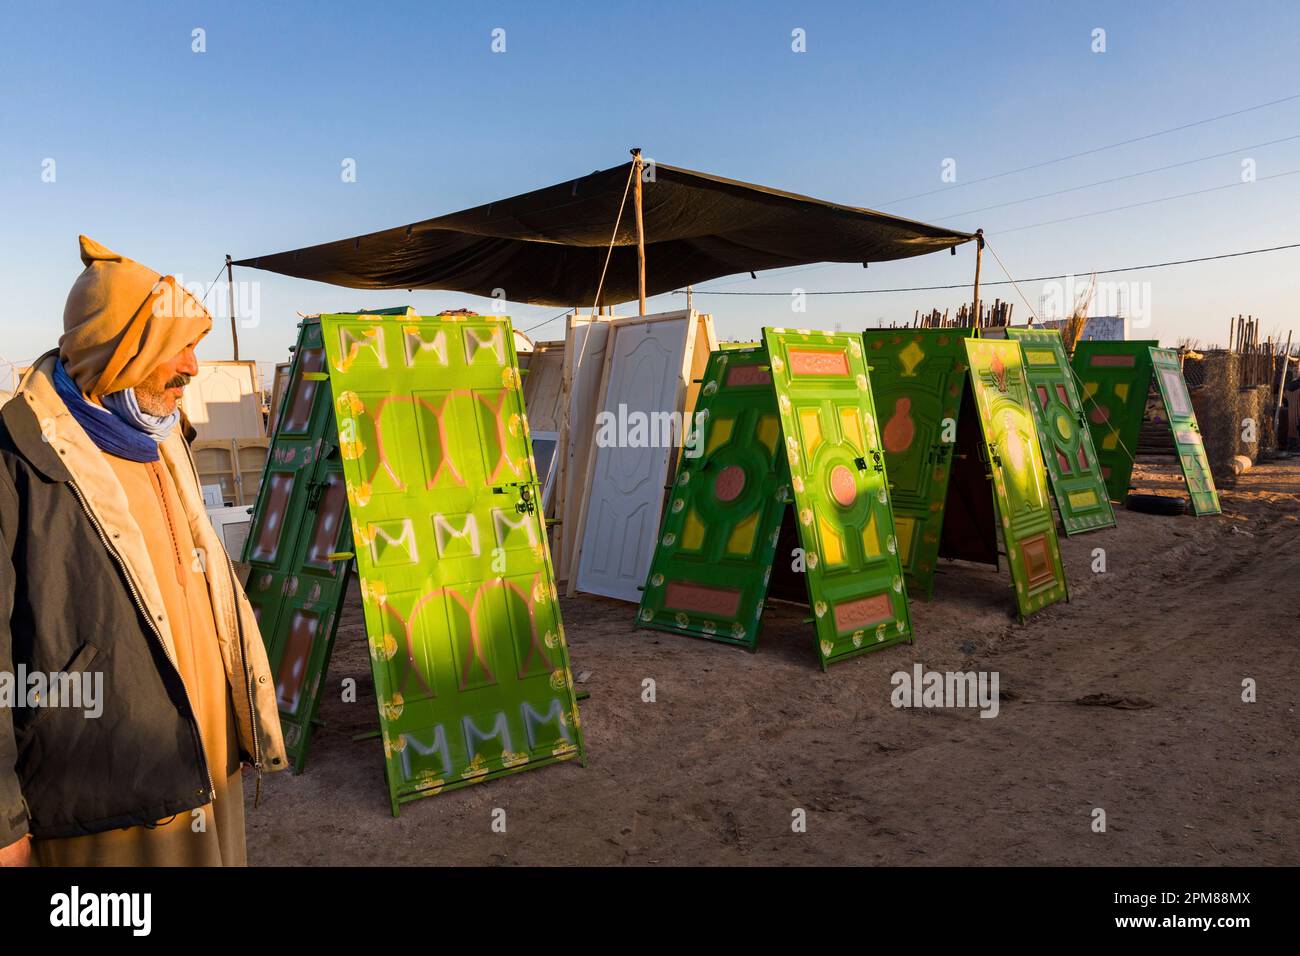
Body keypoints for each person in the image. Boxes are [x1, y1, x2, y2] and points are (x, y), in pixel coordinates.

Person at [0, 236, 285, 866]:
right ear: (121, 350)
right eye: (176, 348)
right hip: (105, 794)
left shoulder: (162, 440)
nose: (191, 367)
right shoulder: (20, 456)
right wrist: (3, 822)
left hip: (206, 761)